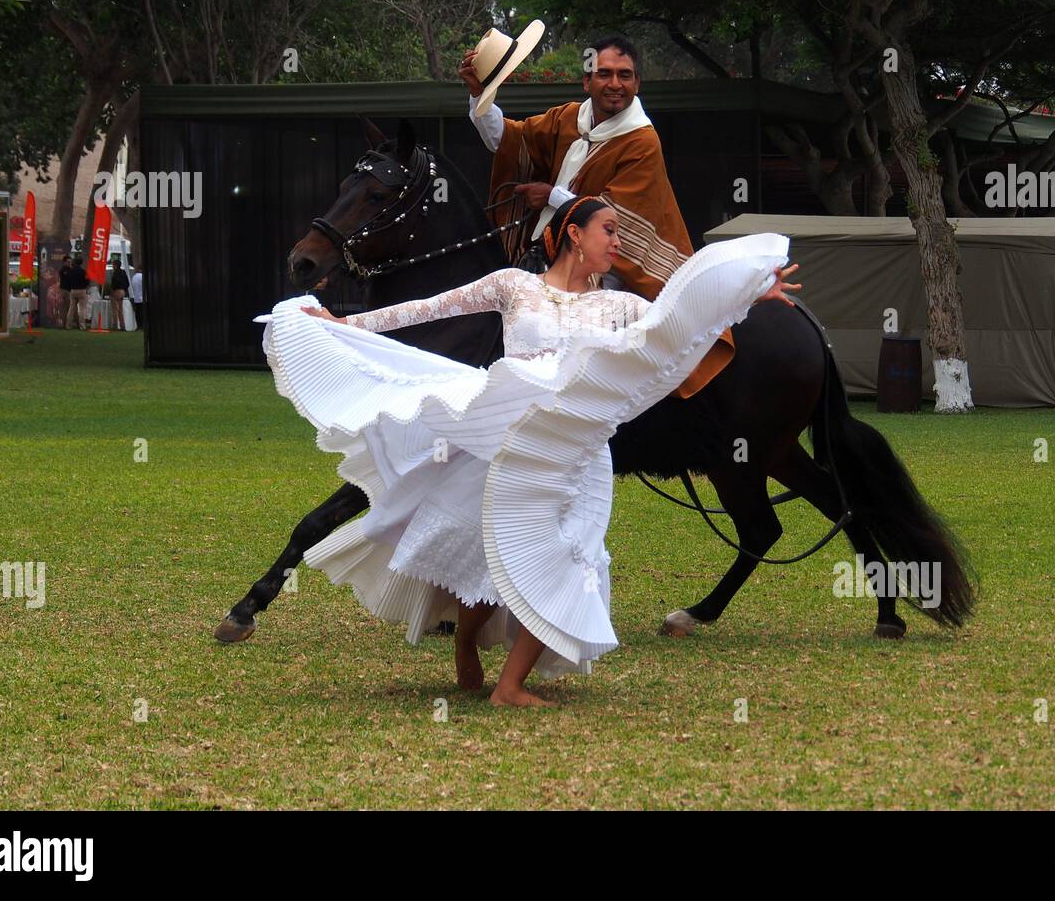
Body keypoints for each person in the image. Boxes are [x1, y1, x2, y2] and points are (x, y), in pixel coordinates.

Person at [258, 196, 798, 706]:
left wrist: (748, 292)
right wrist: (346, 324)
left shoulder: (622, 306)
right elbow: (429, 309)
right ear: (572, 234)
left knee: (565, 559)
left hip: (579, 453)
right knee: (489, 560)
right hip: (509, 440)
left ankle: (510, 685)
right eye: (608, 231)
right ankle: (466, 641)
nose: (617, 243)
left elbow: (682, 327)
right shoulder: (514, 285)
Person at [459, 30, 734, 400]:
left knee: (587, 329)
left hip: (613, 261)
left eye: (625, 74)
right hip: (554, 251)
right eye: (604, 74)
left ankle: (596, 407)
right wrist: (480, 94)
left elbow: (614, 218)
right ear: (587, 81)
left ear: (637, 82)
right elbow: (507, 141)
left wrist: (550, 195)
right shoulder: (568, 118)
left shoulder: (641, 140)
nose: (615, 84)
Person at [63, 256, 90, 330]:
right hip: (82, 290)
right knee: (82, 309)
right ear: (81, 263)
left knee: (71, 308)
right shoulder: (83, 271)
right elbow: (87, 281)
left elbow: (67, 281)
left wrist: (70, 288)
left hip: (73, 290)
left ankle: (68, 325)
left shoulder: (70, 271)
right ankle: (82, 326)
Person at [108, 258, 129, 330]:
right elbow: (127, 283)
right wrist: (124, 290)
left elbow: (115, 282)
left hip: (116, 291)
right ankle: (123, 326)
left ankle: (115, 325)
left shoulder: (115, 273)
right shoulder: (123, 272)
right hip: (122, 291)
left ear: (116, 265)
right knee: (120, 310)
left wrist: (112, 289)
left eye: (113, 264)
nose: (112, 266)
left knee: (114, 309)